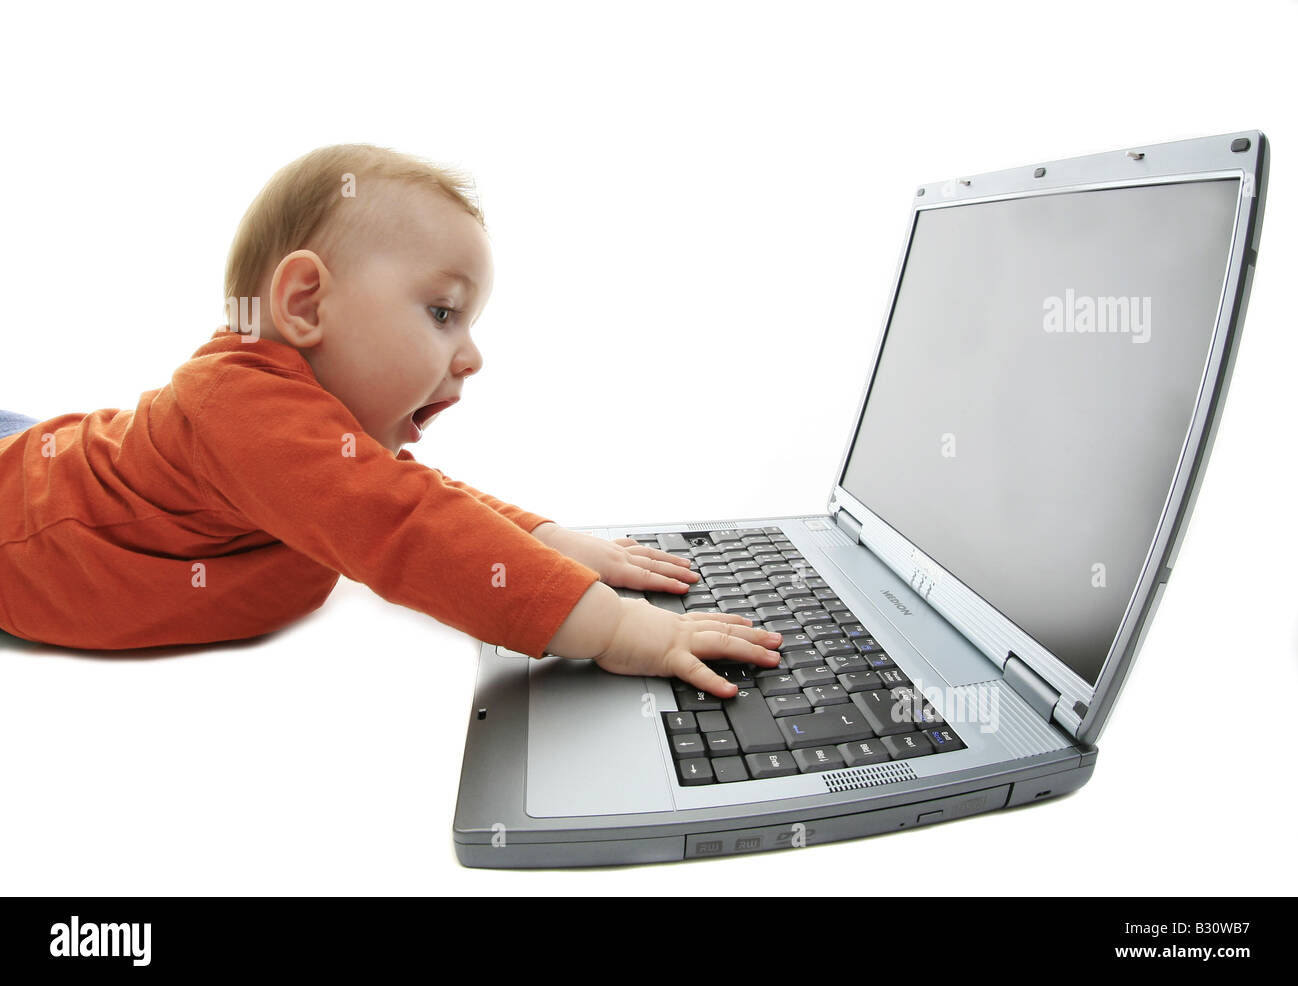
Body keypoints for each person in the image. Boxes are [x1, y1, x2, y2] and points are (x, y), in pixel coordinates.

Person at [0, 143, 781, 695]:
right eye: (443, 312)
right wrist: (619, 631)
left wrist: (551, 543)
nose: (470, 355)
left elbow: (408, 491)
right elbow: (405, 524)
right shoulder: (242, 408)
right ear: (305, 303)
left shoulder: (290, 432)